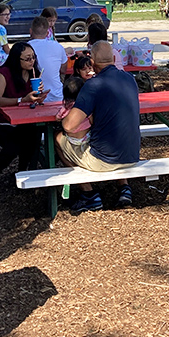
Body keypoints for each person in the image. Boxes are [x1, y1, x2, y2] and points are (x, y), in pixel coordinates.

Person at [58, 41, 140, 213]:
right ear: (113, 58)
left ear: (92, 61)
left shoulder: (93, 85)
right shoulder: (129, 79)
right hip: (132, 155)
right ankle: (123, 187)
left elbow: (69, 126)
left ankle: (88, 194)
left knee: (58, 138)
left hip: (105, 160)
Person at [0, 42, 48, 175]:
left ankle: (23, 172)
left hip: (26, 121)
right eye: (27, 58)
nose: (32, 61)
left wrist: (37, 98)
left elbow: (31, 100)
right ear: (17, 59)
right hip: (5, 123)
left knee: (33, 138)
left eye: (33, 57)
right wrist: (22, 100)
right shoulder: (4, 74)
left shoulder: (34, 73)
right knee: (16, 144)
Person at [28, 16, 68, 103]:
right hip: (56, 96)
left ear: (30, 31)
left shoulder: (25, 48)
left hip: (31, 96)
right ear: (47, 33)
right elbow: (63, 70)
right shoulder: (58, 46)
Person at [55, 76, 91, 154]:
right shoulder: (86, 105)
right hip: (87, 137)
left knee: (56, 135)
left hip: (73, 139)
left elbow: (57, 118)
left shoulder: (66, 108)